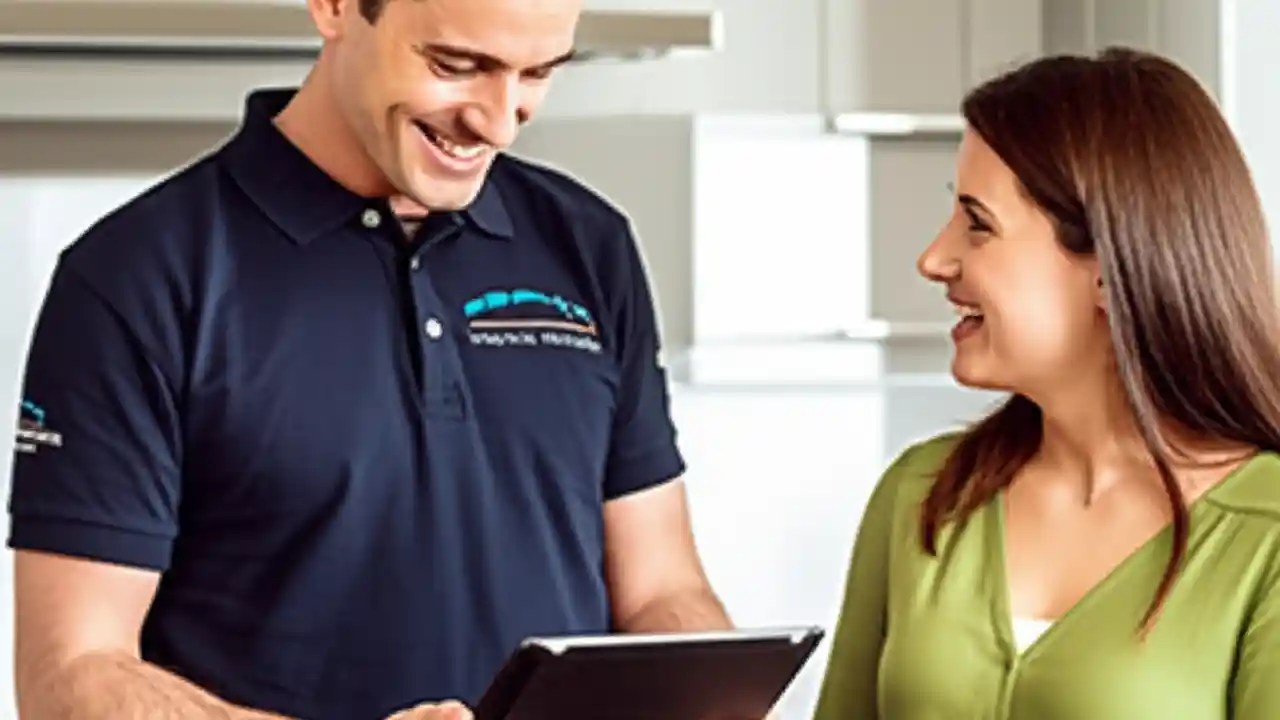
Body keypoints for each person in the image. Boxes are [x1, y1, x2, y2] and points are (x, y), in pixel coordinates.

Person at [7, 0, 730, 718]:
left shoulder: (589, 246)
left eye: (538, 73)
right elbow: (71, 675)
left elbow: (659, 588)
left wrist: (719, 698)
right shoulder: (139, 277)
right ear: (334, 8)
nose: (498, 120)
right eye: (456, 66)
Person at [813, 48, 1280, 719]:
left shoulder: (1264, 534)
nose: (933, 258)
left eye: (977, 224)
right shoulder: (923, 495)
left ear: (1107, 269)